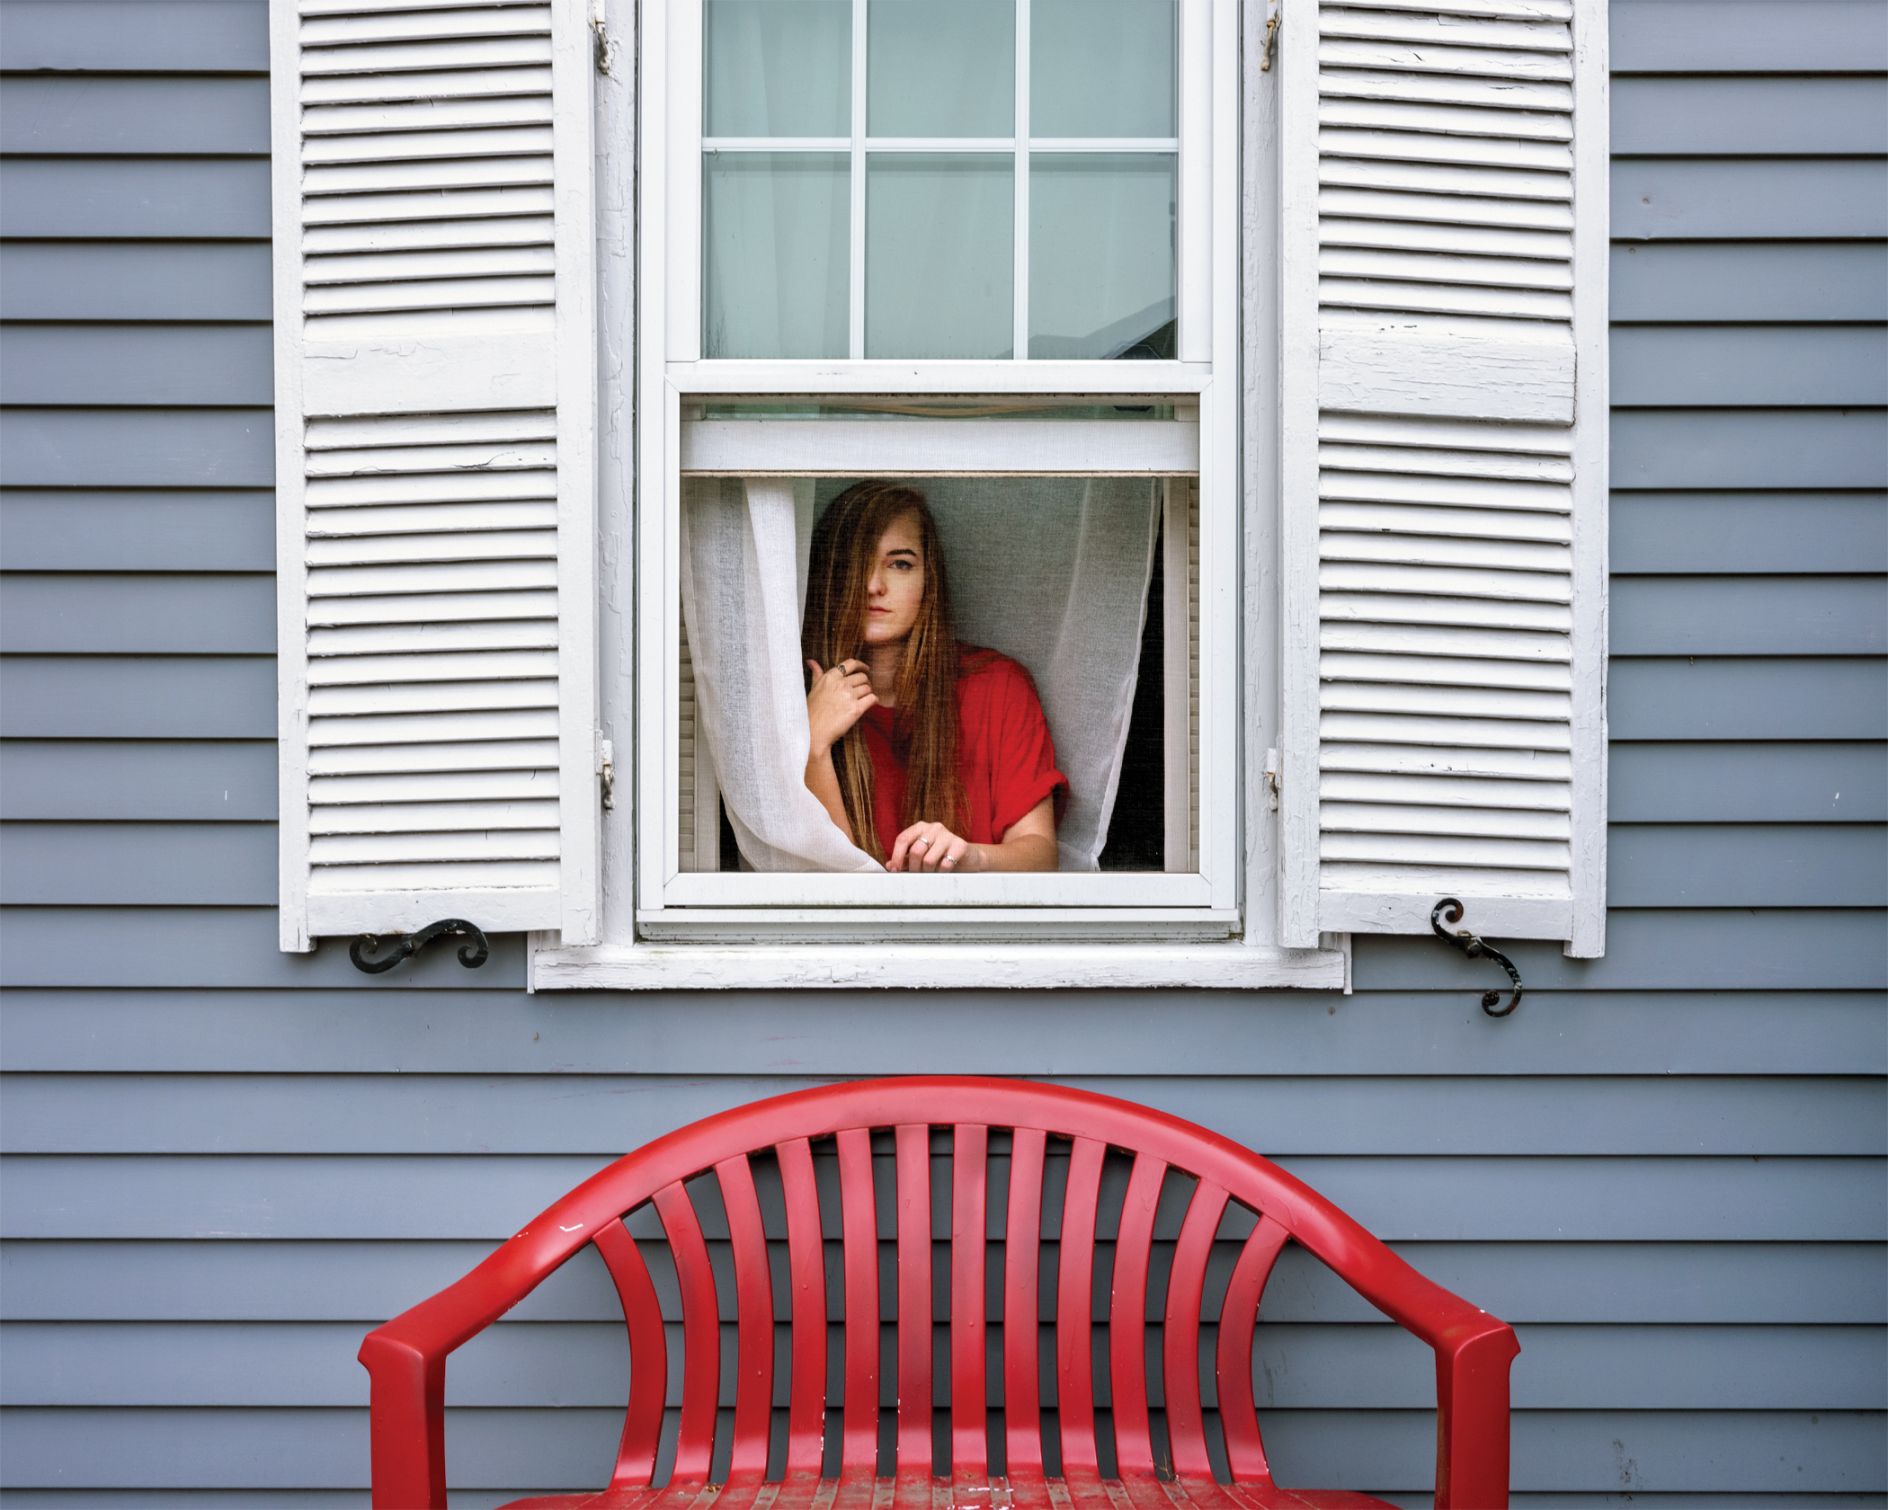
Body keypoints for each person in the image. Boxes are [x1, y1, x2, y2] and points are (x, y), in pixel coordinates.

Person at [801, 481, 1066, 873]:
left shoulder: (998, 687)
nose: (873, 585)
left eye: (900, 564)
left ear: (929, 580)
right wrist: (813, 747)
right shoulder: (796, 700)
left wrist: (970, 857)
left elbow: (1041, 858)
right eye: (853, 563)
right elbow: (835, 884)